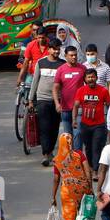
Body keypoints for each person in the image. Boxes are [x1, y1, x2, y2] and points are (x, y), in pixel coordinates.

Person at [28, 37, 65, 166]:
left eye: (58, 49)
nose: (56, 52)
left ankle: (50, 151)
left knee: (54, 127)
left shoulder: (63, 64)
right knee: (44, 127)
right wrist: (31, 100)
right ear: (49, 49)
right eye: (54, 49)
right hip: (42, 99)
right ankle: (45, 154)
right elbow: (35, 81)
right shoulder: (40, 62)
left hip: (57, 101)